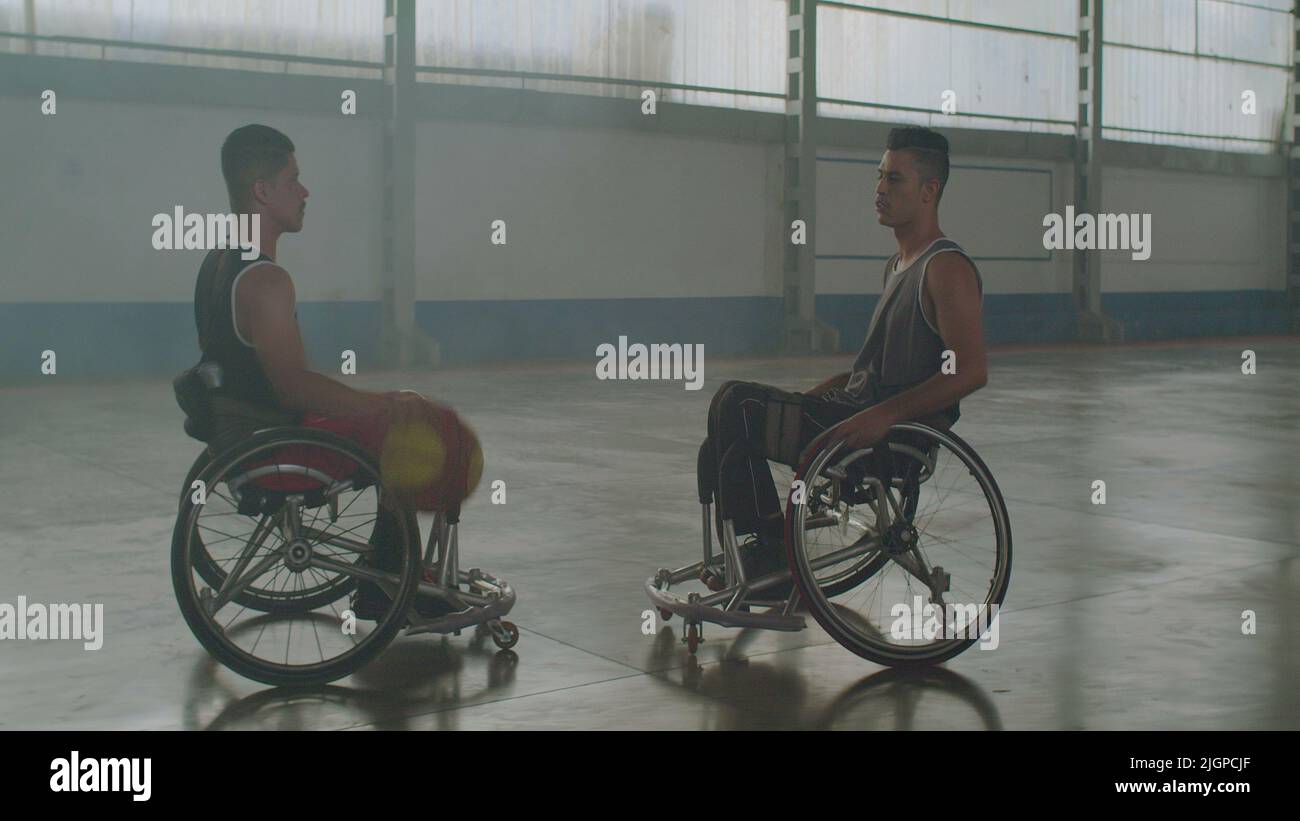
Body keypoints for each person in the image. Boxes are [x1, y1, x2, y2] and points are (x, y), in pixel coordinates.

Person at [701, 126, 988, 584]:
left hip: (886, 437)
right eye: (879, 176)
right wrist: (823, 391)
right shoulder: (897, 266)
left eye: (894, 180)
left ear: (930, 190)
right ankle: (759, 550)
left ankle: (772, 554)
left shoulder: (946, 268)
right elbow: (879, 370)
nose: (879, 190)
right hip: (853, 412)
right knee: (727, 415)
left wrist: (884, 415)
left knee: (738, 406)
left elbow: (970, 371)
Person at [192, 123, 447, 621]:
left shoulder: (218, 262)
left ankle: (393, 569)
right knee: (412, 424)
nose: (305, 192)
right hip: (276, 446)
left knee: (390, 412)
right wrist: (385, 403)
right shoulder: (266, 280)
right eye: (294, 179)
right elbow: (294, 388)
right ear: (262, 192)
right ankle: (393, 583)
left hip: (240, 437)